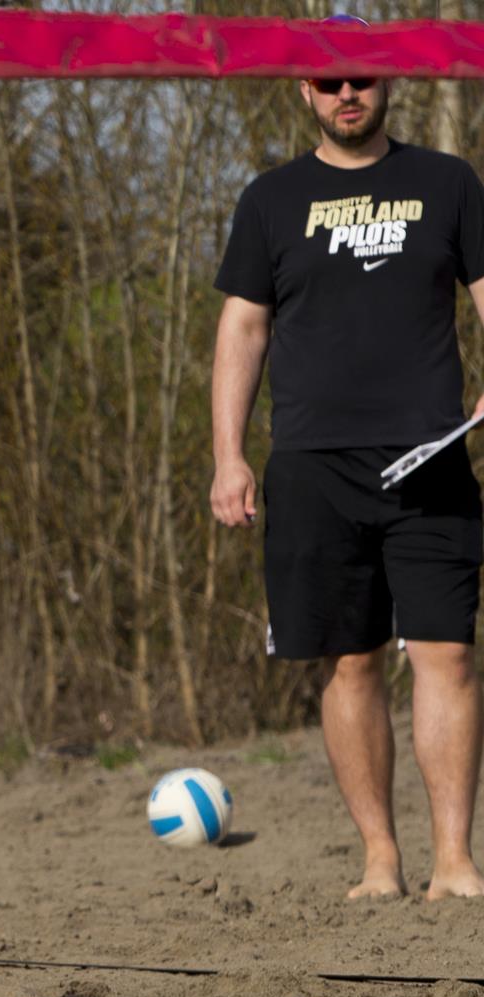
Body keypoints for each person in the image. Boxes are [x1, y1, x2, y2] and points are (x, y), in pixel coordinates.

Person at [210, 18, 484, 901]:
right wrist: (228, 454)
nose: (347, 93)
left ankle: (455, 863)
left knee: (445, 654)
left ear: (388, 82)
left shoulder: (448, 183)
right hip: (311, 465)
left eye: (360, 78)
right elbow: (243, 327)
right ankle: (381, 861)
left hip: (431, 456)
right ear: (303, 91)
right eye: (328, 83)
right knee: (351, 661)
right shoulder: (268, 199)